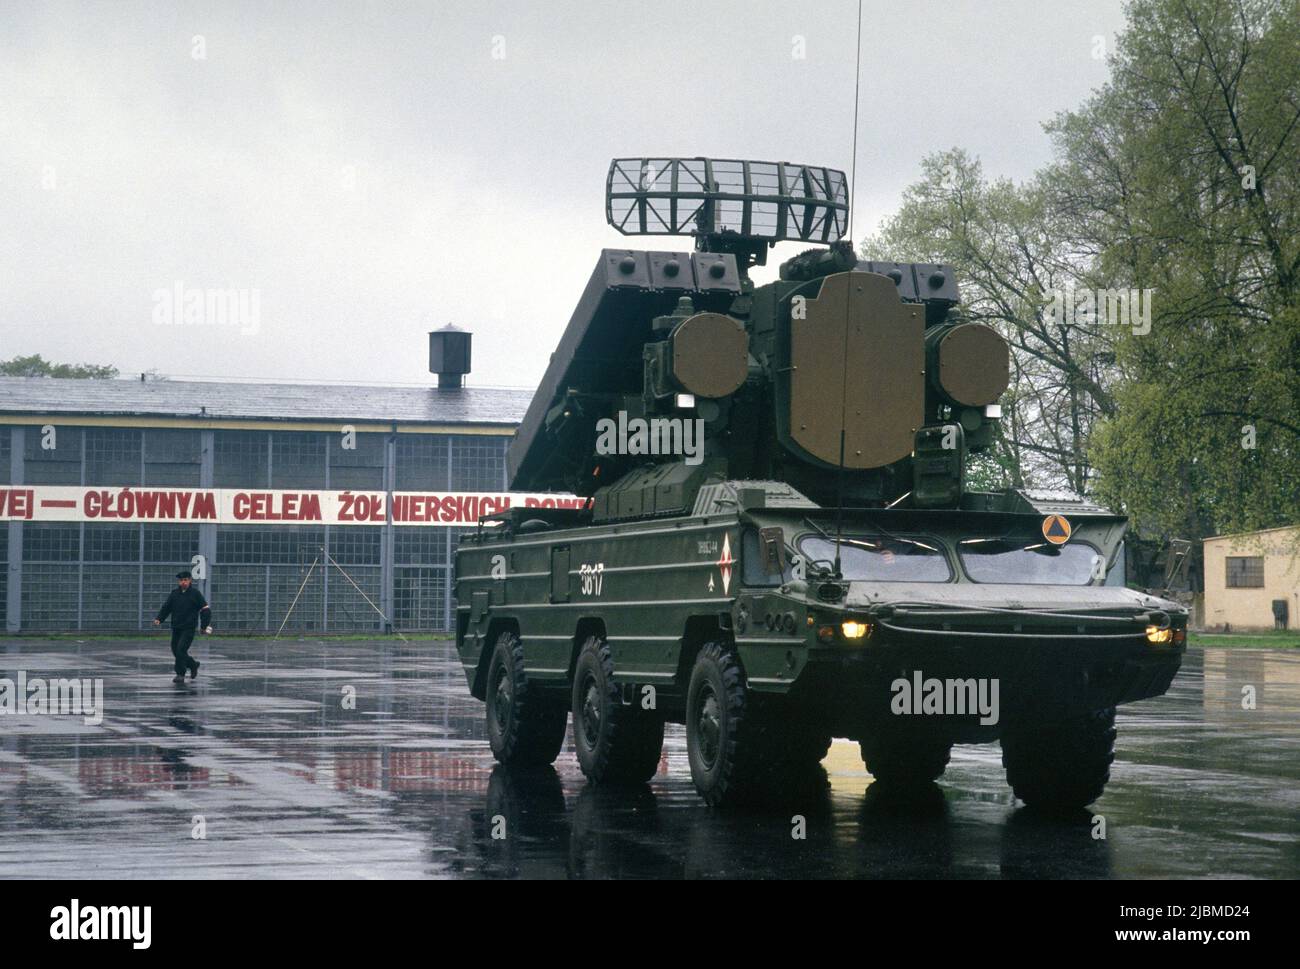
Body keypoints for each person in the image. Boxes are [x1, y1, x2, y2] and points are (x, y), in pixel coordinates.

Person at [153, 570, 212, 684]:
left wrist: (204, 626)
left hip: (189, 628)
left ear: (190, 580)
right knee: (175, 650)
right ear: (179, 581)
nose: (183, 582)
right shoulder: (174, 593)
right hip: (176, 627)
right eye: (181, 580)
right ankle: (193, 664)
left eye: (185, 580)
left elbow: (206, 610)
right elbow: (167, 607)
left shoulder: (195, 594)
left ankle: (180, 674)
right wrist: (159, 619)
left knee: (181, 649)